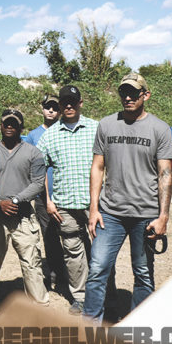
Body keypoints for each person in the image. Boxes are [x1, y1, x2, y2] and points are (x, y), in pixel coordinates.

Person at [84, 73, 172, 321]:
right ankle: (90, 327)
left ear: (146, 95)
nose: (128, 97)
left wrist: (163, 216)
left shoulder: (160, 128)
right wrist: (94, 209)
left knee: (143, 272)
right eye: (124, 92)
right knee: (97, 270)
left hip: (145, 214)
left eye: (134, 93)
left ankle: (139, 325)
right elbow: (97, 167)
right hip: (110, 213)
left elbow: (165, 174)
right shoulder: (107, 125)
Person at [36, 85, 98, 315]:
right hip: (64, 205)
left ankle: (103, 293)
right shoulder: (49, 135)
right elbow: (39, 170)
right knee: (73, 252)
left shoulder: (96, 128)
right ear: (60, 105)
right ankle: (79, 296)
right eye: (65, 102)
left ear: (80, 103)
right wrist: (48, 200)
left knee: (101, 250)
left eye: (73, 101)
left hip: (95, 204)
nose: (69, 106)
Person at [0, 108, 49, 308]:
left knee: (32, 263)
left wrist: (15, 200)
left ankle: (39, 305)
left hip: (23, 216)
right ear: (1, 126)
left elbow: (38, 183)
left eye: (14, 123)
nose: (10, 126)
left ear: (21, 127)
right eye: (7, 123)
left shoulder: (33, 153)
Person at [23, 94, 67, 290]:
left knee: (71, 235)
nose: (51, 110)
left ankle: (74, 272)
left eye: (55, 108)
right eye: (48, 107)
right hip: (43, 196)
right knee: (49, 236)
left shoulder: (65, 131)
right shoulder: (33, 136)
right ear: (41, 109)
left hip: (65, 193)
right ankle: (56, 272)